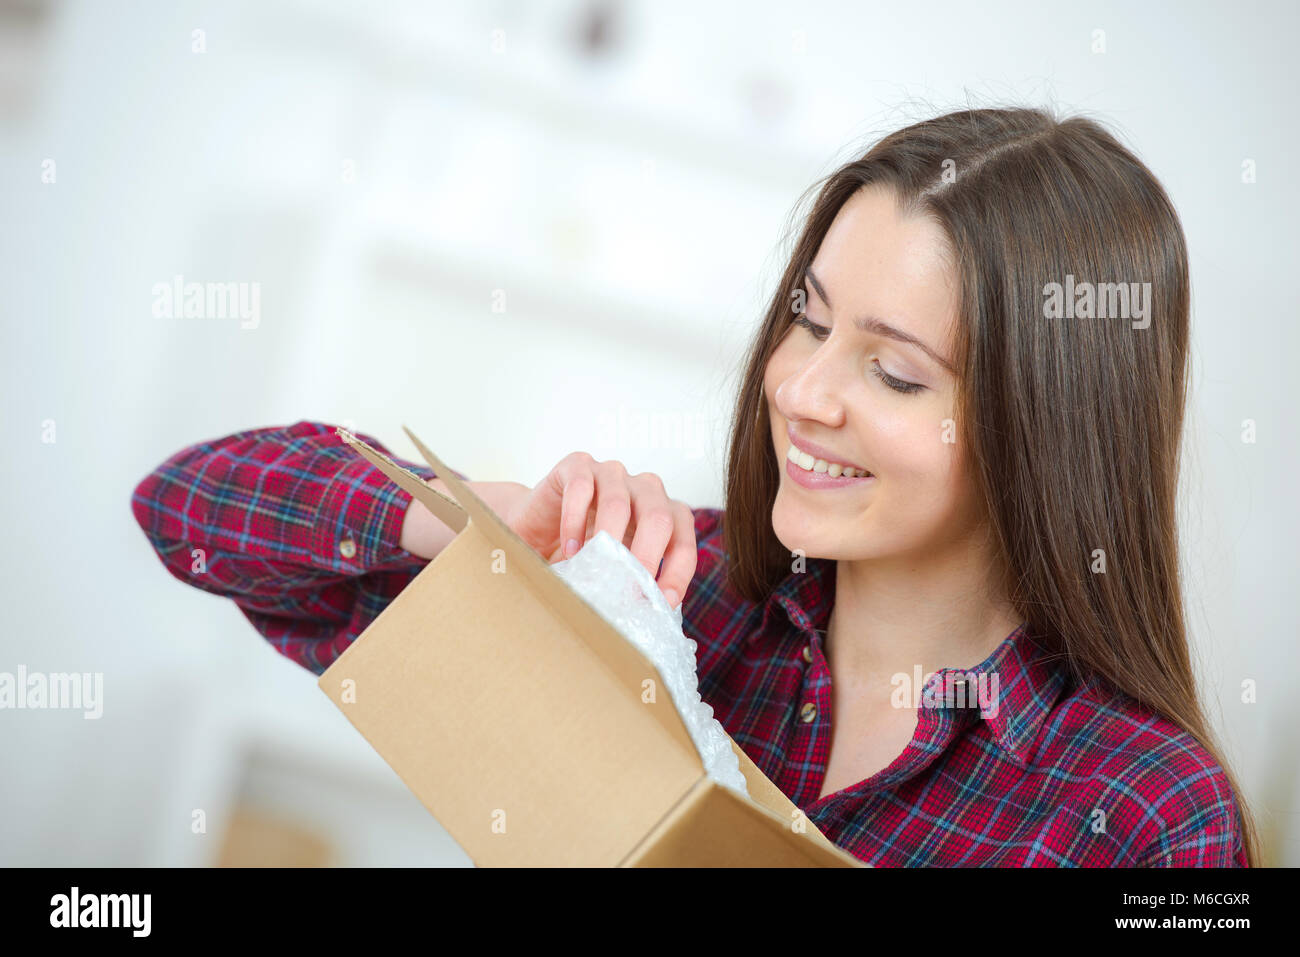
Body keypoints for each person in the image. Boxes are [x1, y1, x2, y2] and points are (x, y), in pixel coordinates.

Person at [131, 106, 1257, 867]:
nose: (802, 389)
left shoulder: (1147, 811)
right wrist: (481, 529)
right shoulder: (676, 602)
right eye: (806, 319)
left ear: (1044, 429)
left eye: (894, 372)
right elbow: (188, 510)